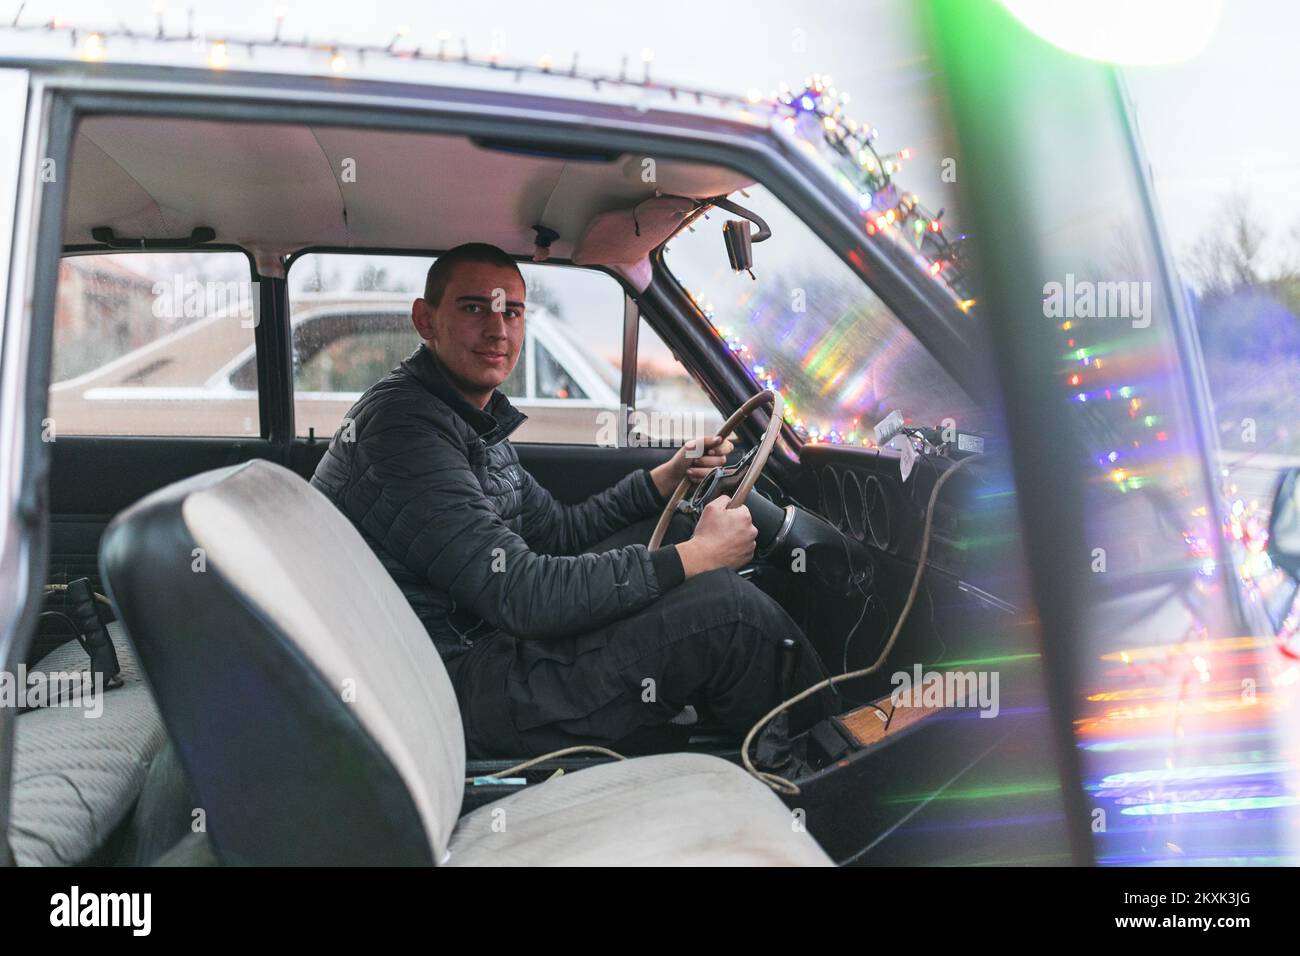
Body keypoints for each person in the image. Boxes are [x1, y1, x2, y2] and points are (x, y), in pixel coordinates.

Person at [310, 242, 829, 764]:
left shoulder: (464, 414)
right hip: (455, 688)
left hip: (477, 654)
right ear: (426, 320)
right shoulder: (405, 429)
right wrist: (699, 557)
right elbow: (521, 592)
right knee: (731, 613)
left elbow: (559, 532)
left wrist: (664, 481)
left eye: (511, 311)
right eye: (474, 309)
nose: (498, 329)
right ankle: (824, 770)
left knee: (684, 564)